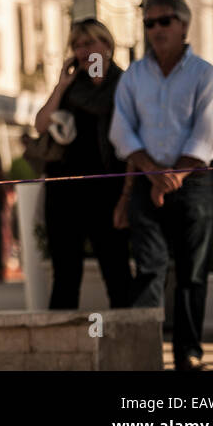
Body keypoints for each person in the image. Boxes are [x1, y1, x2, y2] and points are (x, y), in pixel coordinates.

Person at [110, 0, 213, 372]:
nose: (156, 29)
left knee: (192, 271)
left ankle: (188, 355)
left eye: (164, 21)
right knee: (149, 268)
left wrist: (173, 175)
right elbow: (122, 131)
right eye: (149, 23)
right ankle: (145, 355)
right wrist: (154, 175)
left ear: (184, 25)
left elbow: (208, 133)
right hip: (146, 181)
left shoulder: (204, 74)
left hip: (194, 184)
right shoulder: (134, 76)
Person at [33, 18, 133, 310]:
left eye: (89, 43)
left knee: (116, 272)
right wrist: (60, 85)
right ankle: (62, 348)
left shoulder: (124, 85)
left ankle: (123, 344)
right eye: (76, 45)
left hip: (107, 190)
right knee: (65, 275)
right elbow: (40, 124)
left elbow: (132, 145)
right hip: (65, 192)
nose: (82, 50)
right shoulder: (71, 87)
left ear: (107, 45)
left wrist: (127, 195)